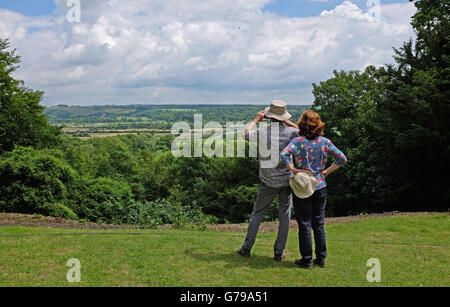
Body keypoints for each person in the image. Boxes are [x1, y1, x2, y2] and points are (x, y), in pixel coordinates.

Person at [280, 110, 347, 269]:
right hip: (320, 185)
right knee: (319, 223)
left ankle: (307, 260)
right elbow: (342, 159)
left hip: (303, 185)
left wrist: (294, 170)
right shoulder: (325, 142)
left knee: (304, 224)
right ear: (318, 125)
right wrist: (326, 172)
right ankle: (321, 258)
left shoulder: (298, 142)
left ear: (302, 125)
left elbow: (283, 155)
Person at [237, 100, 299, 262]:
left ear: (269, 116)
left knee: (258, 213)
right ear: (283, 115)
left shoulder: (263, 132)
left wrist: (256, 120)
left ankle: (246, 248)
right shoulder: (292, 133)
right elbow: (302, 131)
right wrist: (285, 120)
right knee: (284, 216)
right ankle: (279, 252)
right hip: (286, 180)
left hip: (267, 180)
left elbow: (245, 135)